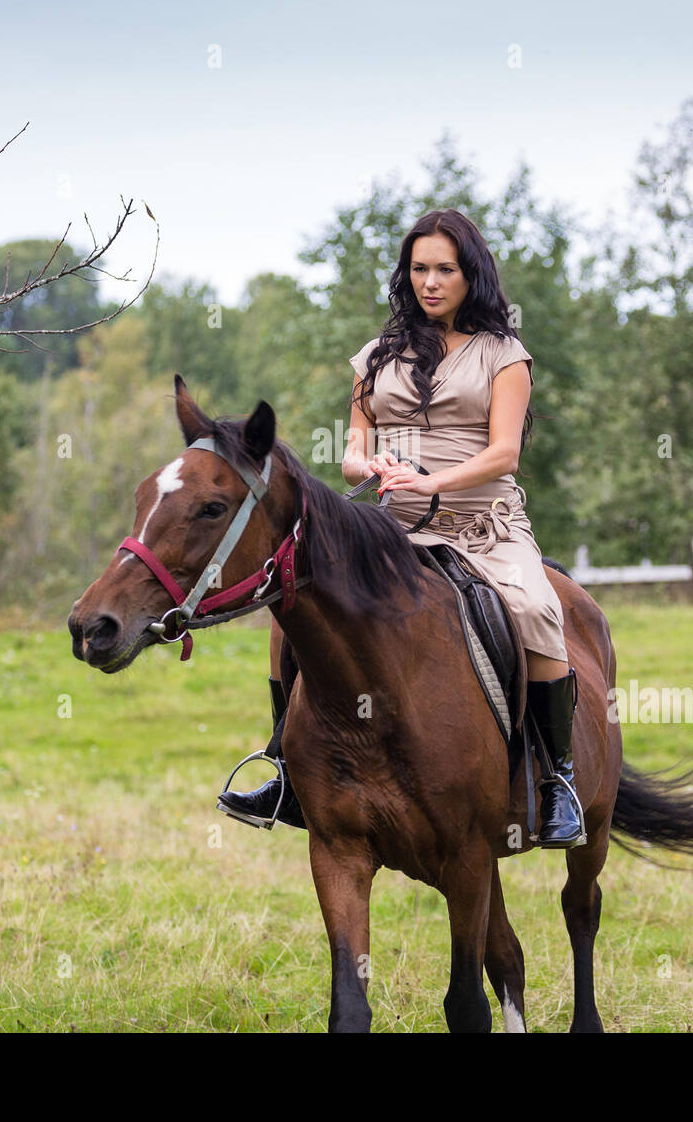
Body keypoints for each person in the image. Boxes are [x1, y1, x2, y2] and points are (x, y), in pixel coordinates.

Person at [217, 208, 583, 847]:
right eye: (419, 269)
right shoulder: (377, 356)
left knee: (534, 608)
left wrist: (433, 482)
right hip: (391, 528)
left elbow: (504, 454)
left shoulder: (505, 355)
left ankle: (558, 781)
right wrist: (372, 463)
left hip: (484, 523)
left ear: (471, 275)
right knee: (290, 609)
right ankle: (281, 763)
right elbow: (354, 449)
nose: (430, 282)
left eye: (445, 269)